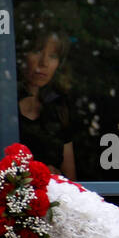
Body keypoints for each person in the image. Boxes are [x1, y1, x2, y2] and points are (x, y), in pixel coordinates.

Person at [17, 30, 76, 180]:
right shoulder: (1, 107)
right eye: (37, 51)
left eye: (53, 56)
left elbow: (72, 180)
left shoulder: (58, 110)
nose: (44, 63)